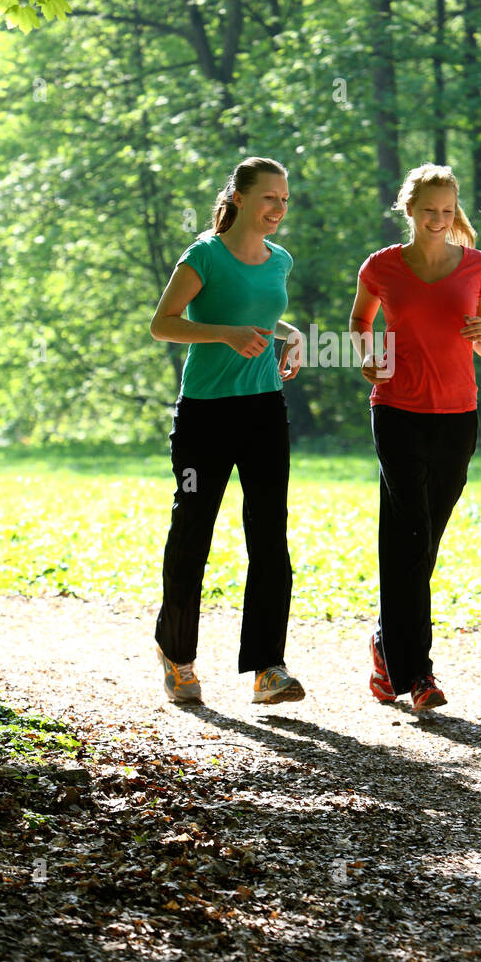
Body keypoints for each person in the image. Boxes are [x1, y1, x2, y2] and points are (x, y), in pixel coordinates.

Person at [150, 156, 306, 707]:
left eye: (284, 199)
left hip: (264, 411)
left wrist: (289, 336)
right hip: (206, 416)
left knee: (269, 537)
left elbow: (260, 317)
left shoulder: (279, 260)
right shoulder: (204, 255)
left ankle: (268, 667)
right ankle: (178, 655)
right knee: (193, 531)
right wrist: (225, 335)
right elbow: (163, 323)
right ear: (239, 197)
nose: (278, 208)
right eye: (269, 197)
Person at [349, 164, 481, 711]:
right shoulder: (382, 266)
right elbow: (361, 323)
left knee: (421, 538)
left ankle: (387, 647)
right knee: (412, 533)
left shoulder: (477, 266)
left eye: (446, 210)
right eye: (428, 209)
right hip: (397, 411)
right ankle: (419, 676)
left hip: (457, 415)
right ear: (408, 209)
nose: (438, 219)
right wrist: (367, 357)